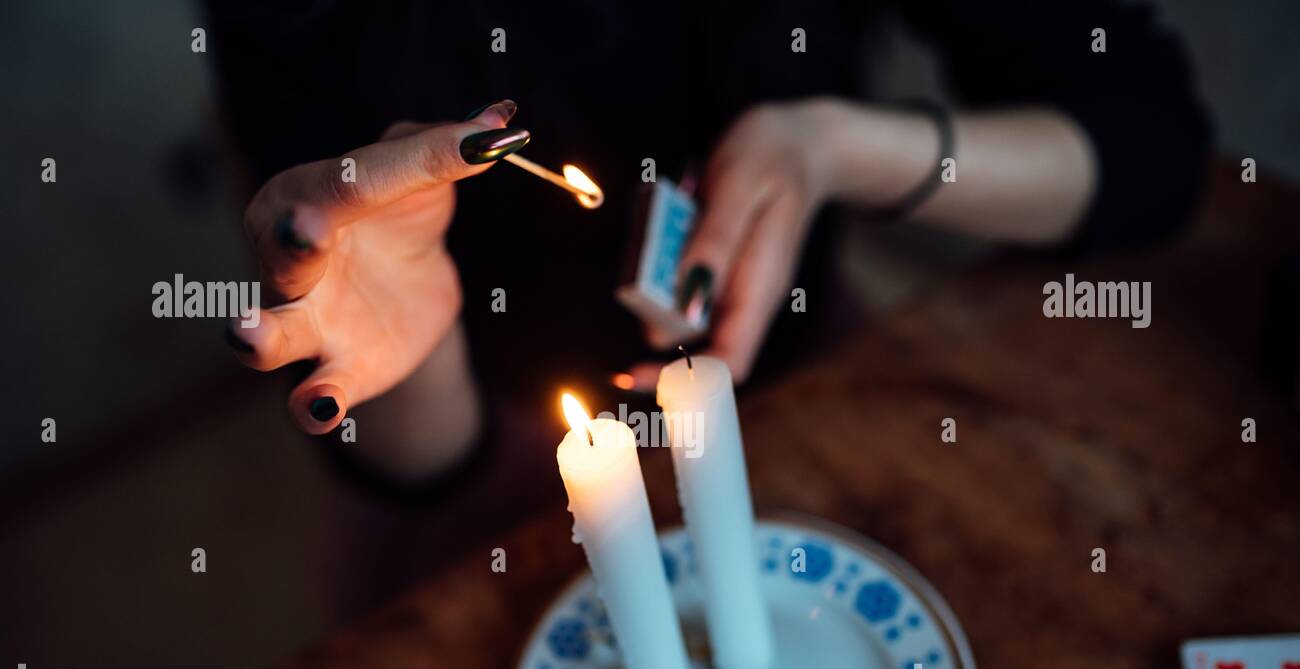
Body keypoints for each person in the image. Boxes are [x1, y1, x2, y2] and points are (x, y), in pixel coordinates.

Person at [209, 0, 1210, 484]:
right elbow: (420, 478)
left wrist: (840, 150)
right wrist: (406, 344)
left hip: (805, 400)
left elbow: (1151, 149)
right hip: (497, 511)